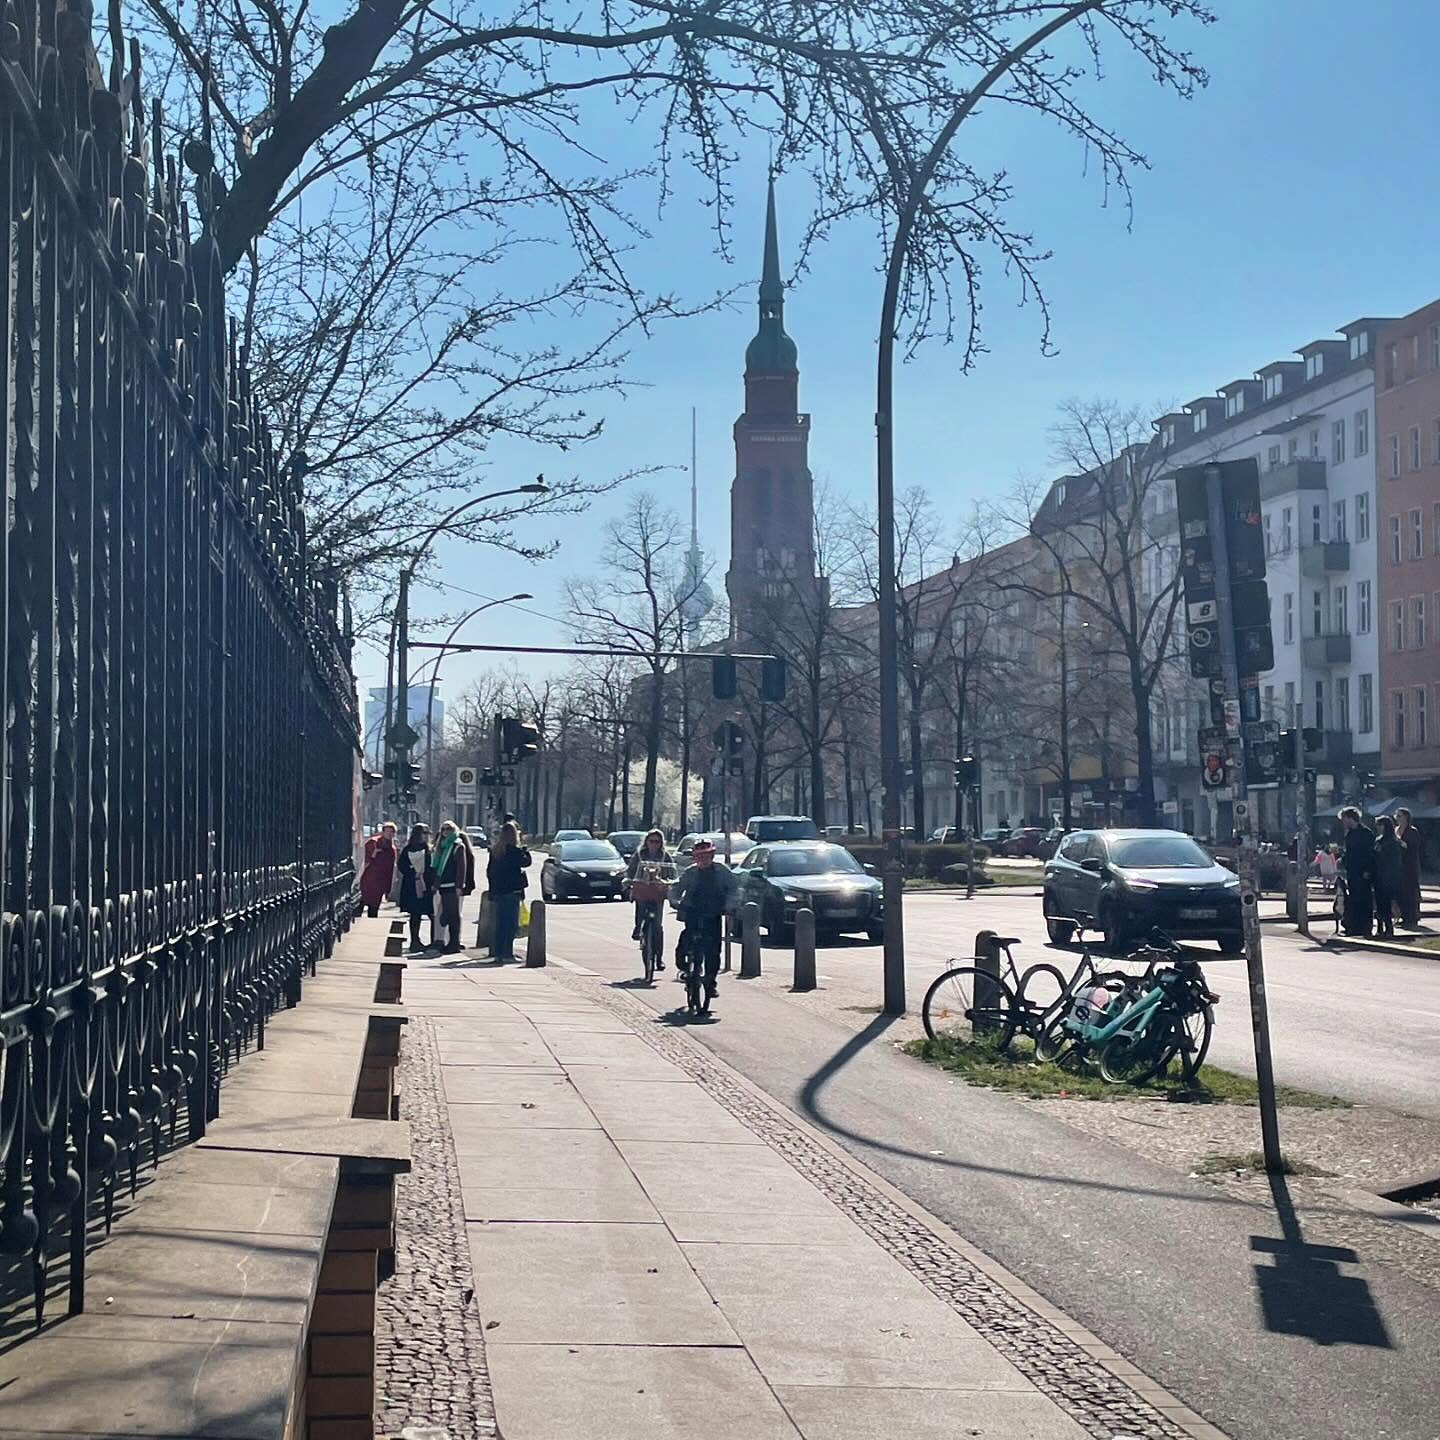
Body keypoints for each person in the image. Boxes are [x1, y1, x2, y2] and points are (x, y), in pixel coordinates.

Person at [668, 839, 738, 1004]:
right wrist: (675, 900)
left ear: (712, 855)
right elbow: (676, 887)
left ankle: (710, 983)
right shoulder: (690, 872)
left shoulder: (722, 871)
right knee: (686, 941)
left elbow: (733, 889)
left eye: (706, 855)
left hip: (714, 913)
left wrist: (729, 905)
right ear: (694, 857)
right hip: (693, 912)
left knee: (713, 951)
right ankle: (686, 968)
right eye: (699, 856)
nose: (703, 859)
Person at [628, 828, 673, 970]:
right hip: (643, 889)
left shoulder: (665, 856)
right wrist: (629, 881)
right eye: (651, 841)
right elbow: (630, 871)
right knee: (640, 907)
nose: (654, 844)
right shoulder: (639, 855)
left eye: (657, 842)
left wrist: (668, 882)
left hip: (658, 892)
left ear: (661, 843)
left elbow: (671, 872)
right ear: (646, 842)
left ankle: (658, 959)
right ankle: (638, 928)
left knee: (658, 926)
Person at [486, 821, 531, 962]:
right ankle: (507, 953)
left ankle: (498, 953)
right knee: (511, 924)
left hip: (499, 891)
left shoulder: (496, 851)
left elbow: (490, 872)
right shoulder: (513, 851)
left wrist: (493, 890)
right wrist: (525, 849)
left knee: (500, 923)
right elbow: (526, 862)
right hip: (512, 891)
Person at [431, 820, 472, 955]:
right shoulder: (441, 846)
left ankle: (454, 943)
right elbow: (437, 866)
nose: (446, 832)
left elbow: (461, 868)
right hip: (442, 885)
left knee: (453, 915)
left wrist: (459, 886)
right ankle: (446, 941)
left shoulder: (458, 846)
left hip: (453, 885)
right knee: (445, 914)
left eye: (449, 829)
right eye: (443, 829)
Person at [396, 824, 434, 953]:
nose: (426, 836)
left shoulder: (429, 849)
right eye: (424, 833)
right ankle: (415, 941)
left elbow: (432, 866)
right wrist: (413, 871)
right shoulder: (408, 849)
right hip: (412, 886)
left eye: (427, 833)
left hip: (426, 885)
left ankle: (434, 941)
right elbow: (401, 865)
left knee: (431, 914)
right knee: (415, 914)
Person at [1339, 806, 1375, 938]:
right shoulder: (1349, 834)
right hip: (1352, 872)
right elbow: (1349, 853)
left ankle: (1365, 927)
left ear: (1350, 818)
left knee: (1365, 899)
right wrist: (1342, 859)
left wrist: (1368, 870)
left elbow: (1370, 853)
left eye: (1344, 819)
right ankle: (1354, 927)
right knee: (1353, 899)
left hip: (1363, 872)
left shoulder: (1366, 833)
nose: (1343, 822)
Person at [359, 821, 398, 917]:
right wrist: (374, 853)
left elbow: (391, 868)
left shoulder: (392, 849)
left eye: (391, 832)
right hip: (370, 878)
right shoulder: (374, 842)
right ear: (383, 832)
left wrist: (388, 888)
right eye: (387, 831)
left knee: (374, 905)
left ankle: (371, 920)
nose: (389, 834)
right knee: (363, 901)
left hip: (381, 881)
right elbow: (366, 859)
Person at [1395, 808, 1425, 928]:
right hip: (1399, 865)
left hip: (1410, 865)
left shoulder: (1412, 831)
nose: (1397, 818)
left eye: (1399, 816)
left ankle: (1412, 916)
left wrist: (1400, 842)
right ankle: (1403, 915)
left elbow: (1413, 847)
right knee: (1401, 891)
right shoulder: (1396, 830)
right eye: (1396, 816)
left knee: (1410, 891)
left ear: (1406, 817)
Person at [1374, 816, 1403, 940]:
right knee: (1379, 903)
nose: (1378, 828)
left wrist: (1392, 877)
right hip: (1378, 876)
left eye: (1380, 825)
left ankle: (1389, 927)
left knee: (1387, 903)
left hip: (1388, 877)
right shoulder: (1378, 840)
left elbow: (1395, 863)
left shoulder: (1393, 842)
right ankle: (1380, 927)